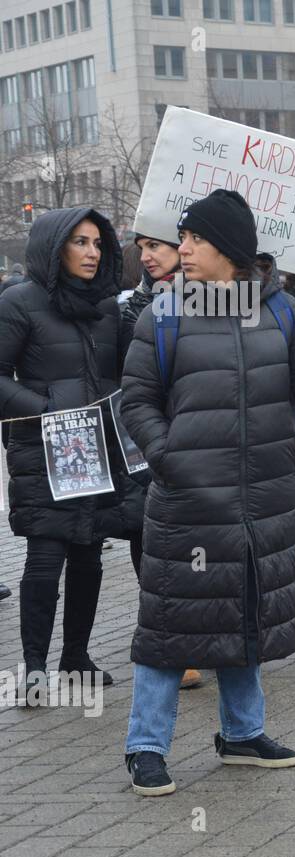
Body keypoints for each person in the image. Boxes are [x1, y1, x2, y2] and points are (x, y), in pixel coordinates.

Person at [119, 189, 295, 795]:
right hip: (188, 499)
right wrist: (166, 456)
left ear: (229, 249)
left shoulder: (279, 311)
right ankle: (146, 746)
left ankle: (243, 734)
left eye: (196, 239)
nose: (185, 249)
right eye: (185, 238)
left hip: (264, 498)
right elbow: (137, 399)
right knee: (170, 621)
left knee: (245, 609)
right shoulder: (166, 313)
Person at [0, 207, 145, 698]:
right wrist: (45, 410)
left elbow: (128, 368)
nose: (91, 252)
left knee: (89, 554)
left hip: (97, 447)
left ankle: (76, 657)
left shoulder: (107, 307)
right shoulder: (19, 302)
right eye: (79, 242)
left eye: (97, 243)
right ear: (53, 247)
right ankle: (35, 666)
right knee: (45, 556)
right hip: (43, 450)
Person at [119, 231, 205, 690]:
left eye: (157, 245)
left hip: (205, 445)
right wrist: (158, 445)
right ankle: (181, 649)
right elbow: (132, 385)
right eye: (142, 247)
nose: (146, 256)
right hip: (156, 449)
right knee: (156, 552)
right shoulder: (133, 304)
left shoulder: (221, 302)